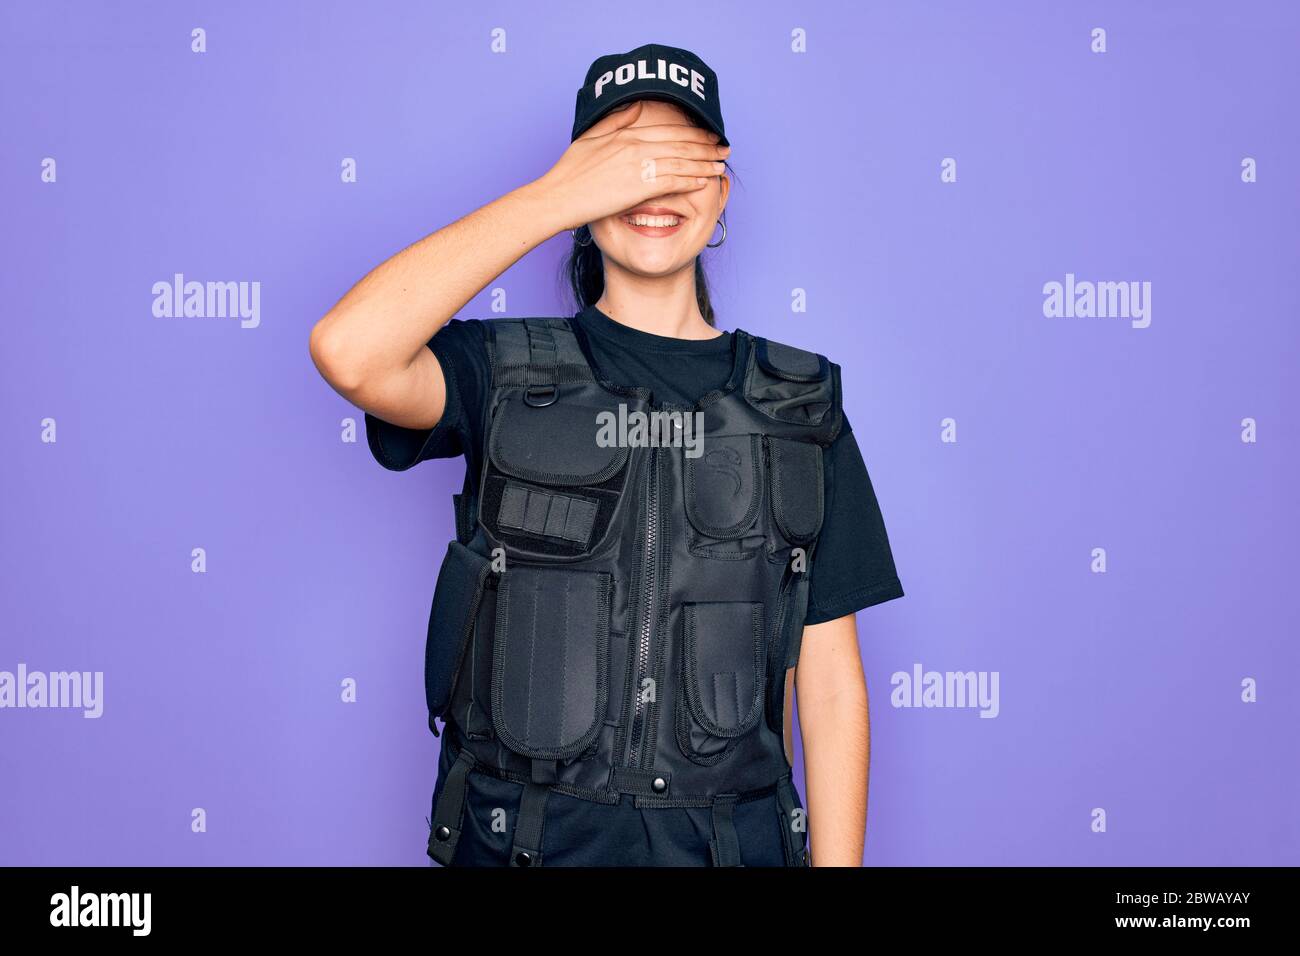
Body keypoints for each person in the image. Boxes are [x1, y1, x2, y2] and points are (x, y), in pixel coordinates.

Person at [310, 42, 903, 867]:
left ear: (722, 191)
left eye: (680, 163)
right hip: (520, 843)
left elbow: (832, 685)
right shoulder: (499, 373)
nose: (650, 188)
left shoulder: (798, 406)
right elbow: (350, 350)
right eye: (625, 162)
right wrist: (553, 196)